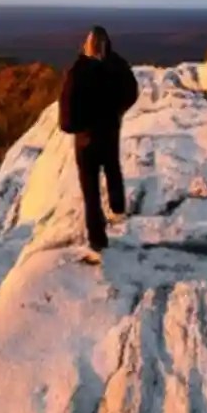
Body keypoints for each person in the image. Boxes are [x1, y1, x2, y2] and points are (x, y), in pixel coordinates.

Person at [59, 26, 138, 252]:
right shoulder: (117, 65)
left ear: (87, 45)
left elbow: (66, 111)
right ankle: (118, 206)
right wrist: (117, 111)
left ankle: (97, 239)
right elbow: (131, 92)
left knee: (90, 190)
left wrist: (76, 127)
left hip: (86, 139)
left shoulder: (78, 70)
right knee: (112, 167)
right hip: (109, 131)